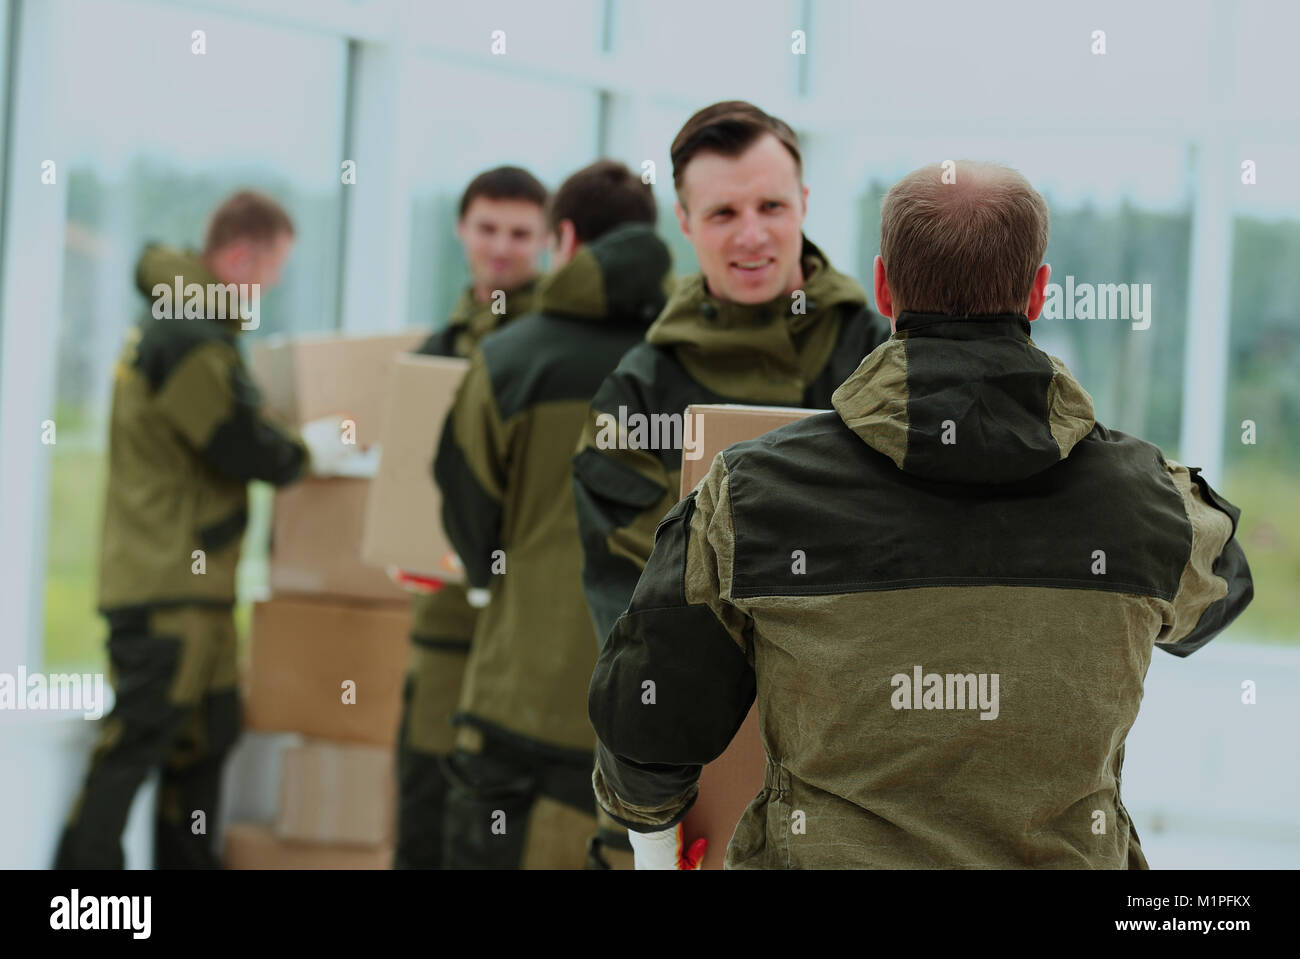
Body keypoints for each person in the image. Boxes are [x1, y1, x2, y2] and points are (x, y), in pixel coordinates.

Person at [587, 161, 1254, 869]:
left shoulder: (750, 494)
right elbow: (1222, 591)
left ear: (883, 286)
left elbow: (646, 719)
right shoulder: (1148, 499)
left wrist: (654, 847)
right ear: (1038, 292)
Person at [571, 100, 890, 865]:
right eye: (722, 213)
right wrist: (654, 812)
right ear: (683, 221)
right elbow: (630, 606)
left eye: (772, 205)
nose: (751, 235)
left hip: (870, 758)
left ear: (805, 204)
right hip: (700, 761)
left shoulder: (878, 359)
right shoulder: (638, 391)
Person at [54, 191, 317, 868]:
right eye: (271, 268)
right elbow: (238, 443)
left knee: (207, 739)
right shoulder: (186, 336)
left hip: (193, 588)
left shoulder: (194, 329)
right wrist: (307, 452)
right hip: (166, 589)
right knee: (137, 745)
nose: (272, 284)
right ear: (238, 255)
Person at [432, 160, 671, 869]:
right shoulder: (684, 363)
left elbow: (466, 511)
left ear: (563, 238)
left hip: (519, 696)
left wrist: (487, 571)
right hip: (647, 710)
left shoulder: (507, 359)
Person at [394, 166, 549, 869]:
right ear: (462, 230)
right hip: (447, 621)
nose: (502, 247)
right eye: (488, 228)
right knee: (425, 795)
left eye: (520, 232)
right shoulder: (434, 352)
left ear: (549, 240)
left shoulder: (559, 352)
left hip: (535, 630)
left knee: (511, 818)